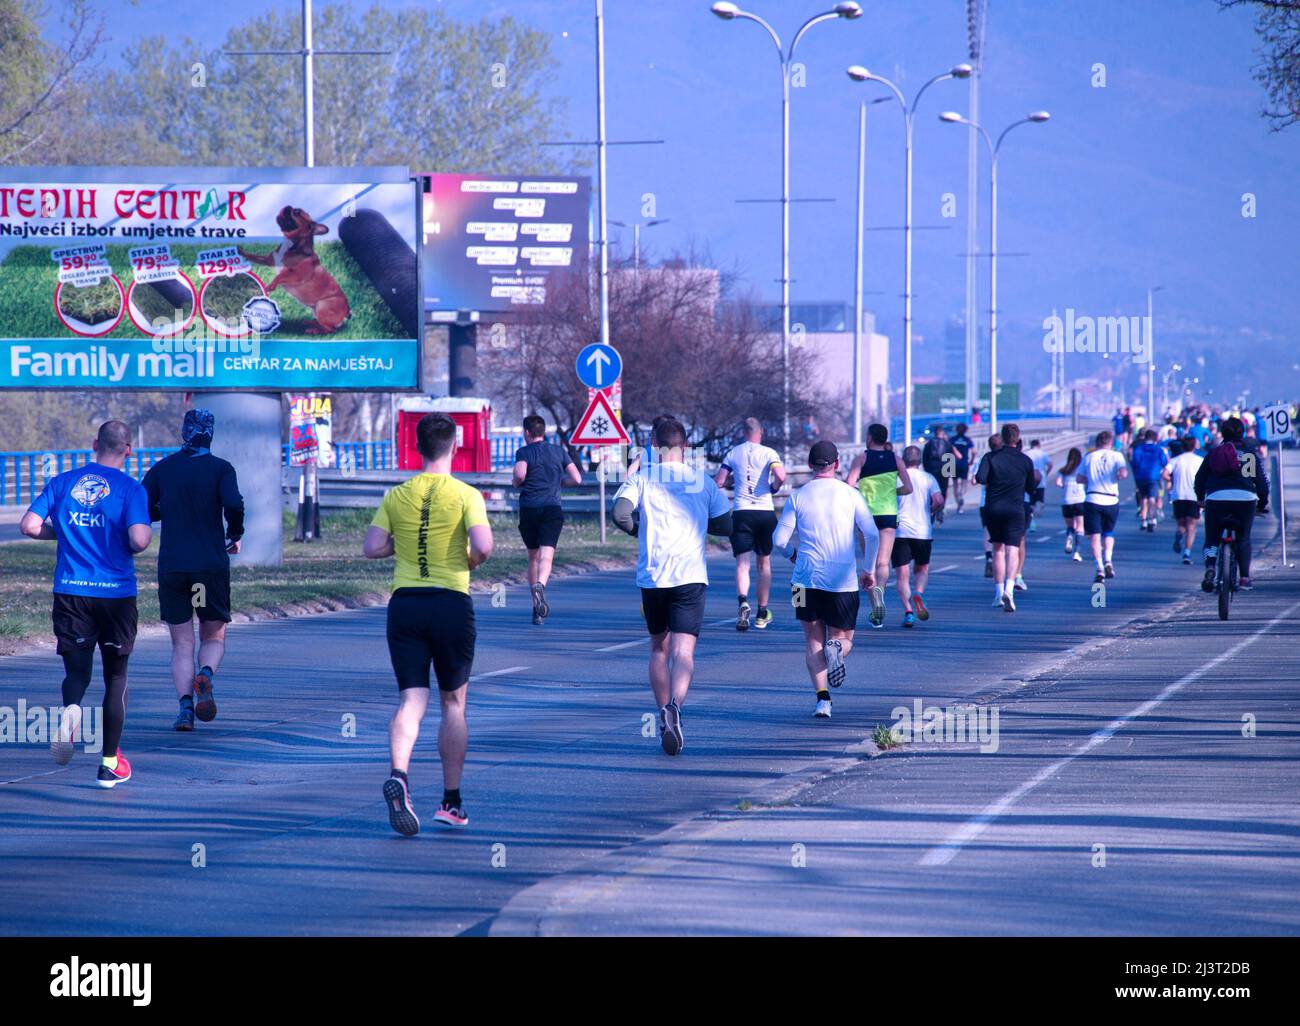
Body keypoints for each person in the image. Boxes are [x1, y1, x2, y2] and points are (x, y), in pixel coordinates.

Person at [365, 413, 493, 835]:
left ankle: (399, 775)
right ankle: (451, 802)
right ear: (454, 446)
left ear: (418, 448)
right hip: (451, 604)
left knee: (410, 701)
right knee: (453, 704)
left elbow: (372, 547)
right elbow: (484, 546)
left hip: (405, 604)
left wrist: (403, 546)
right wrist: (469, 560)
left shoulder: (397, 494)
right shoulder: (466, 494)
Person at [19, 421, 152, 788]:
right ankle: (109, 763)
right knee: (116, 677)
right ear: (128, 449)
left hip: (71, 591)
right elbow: (139, 541)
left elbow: (29, 525)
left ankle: (72, 711)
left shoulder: (64, 483)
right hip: (115, 596)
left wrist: (60, 532)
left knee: (77, 673)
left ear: (95, 444)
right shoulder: (131, 489)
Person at [612, 417, 731, 756]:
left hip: (653, 576)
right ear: (685, 447)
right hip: (690, 576)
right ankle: (675, 706)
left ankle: (663, 711)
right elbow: (726, 523)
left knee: (657, 650)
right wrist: (698, 523)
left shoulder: (644, 478)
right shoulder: (702, 481)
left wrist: (642, 529)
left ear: (653, 445)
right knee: (684, 653)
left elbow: (620, 514)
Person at [141, 409, 244, 731]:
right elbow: (234, 504)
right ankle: (207, 674)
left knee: (182, 644)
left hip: (173, 567)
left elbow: (142, 508)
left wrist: (165, 512)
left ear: (183, 431)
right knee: (212, 635)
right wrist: (235, 533)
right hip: (208, 567)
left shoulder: (163, 469)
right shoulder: (221, 469)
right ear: (210, 434)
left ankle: (185, 709)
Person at [773, 441, 878, 718]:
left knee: (811, 640)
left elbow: (779, 540)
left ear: (810, 465)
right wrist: (868, 570)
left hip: (803, 580)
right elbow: (873, 534)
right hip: (842, 579)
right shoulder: (851, 494)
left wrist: (793, 554)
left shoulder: (798, 496)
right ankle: (837, 648)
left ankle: (822, 700)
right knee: (844, 639)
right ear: (838, 464)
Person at [715, 417, 786, 631]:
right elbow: (780, 476)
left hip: (741, 512)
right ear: (761, 432)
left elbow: (719, 481)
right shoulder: (769, 453)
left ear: (743, 432)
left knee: (742, 564)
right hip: (764, 512)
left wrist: (730, 482)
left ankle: (743, 601)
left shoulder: (733, 453)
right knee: (764, 564)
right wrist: (772, 488)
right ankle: (762, 612)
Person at [512, 414, 582, 625]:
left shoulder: (524, 452)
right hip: (552, 509)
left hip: (529, 509)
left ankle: (536, 608)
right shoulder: (559, 451)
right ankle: (541, 584)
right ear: (543, 432)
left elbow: (520, 475)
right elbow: (577, 479)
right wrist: (559, 483)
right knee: (547, 557)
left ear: (527, 433)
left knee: (533, 556)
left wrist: (516, 483)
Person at [846, 423, 912, 628]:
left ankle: (875, 606)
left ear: (870, 438)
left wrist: (861, 494)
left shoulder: (862, 459)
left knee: (870, 564)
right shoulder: (896, 459)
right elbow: (908, 488)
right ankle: (880, 593)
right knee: (883, 563)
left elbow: (849, 485)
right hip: (889, 515)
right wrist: (892, 492)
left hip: (867, 516)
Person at [1195, 416, 1269, 592]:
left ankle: (1210, 566)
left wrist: (1200, 498)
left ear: (1222, 433)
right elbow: (1261, 483)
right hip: (1245, 500)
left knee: (1212, 538)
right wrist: (1262, 504)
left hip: (1216, 499)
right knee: (1243, 539)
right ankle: (1244, 578)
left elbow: (1199, 479)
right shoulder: (1249, 455)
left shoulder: (1214, 453)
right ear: (1242, 433)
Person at [975, 423, 1037, 612]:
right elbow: (1031, 488)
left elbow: (980, 478)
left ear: (1002, 438)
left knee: (998, 550)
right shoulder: (1025, 461)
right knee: (1013, 550)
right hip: (1015, 510)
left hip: (993, 509)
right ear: (1018, 439)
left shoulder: (990, 457)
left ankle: (997, 593)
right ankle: (1009, 590)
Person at [893, 446, 944, 628]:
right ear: (920, 460)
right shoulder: (928, 478)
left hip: (901, 532)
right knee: (921, 570)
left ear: (903, 460)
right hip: (923, 531)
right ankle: (919, 593)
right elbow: (939, 500)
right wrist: (933, 510)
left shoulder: (897, 478)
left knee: (902, 575)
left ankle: (908, 612)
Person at [1077, 430, 1129, 584]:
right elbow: (1123, 473)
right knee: (1108, 532)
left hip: (1093, 498)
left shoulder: (1088, 457)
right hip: (1111, 500)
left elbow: (1079, 478)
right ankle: (1108, 560)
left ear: (1097, 443)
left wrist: (1091, 478)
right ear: (1111, 443)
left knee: (1095, 535)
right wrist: (1118, 476)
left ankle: (1099, 566)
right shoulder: (1117, 456)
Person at [1163, 436, 1204, 565]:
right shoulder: (1199, 460)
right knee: (1191, 527)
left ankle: (1179, 534)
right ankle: (1186, 553)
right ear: (1193, 446)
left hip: (1178, 495)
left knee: (1181, 524)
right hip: (1193, 496)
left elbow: (1164, 474)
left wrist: (1172, 481)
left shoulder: (1175, 460)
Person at [1129, 429, 1169, 532]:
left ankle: (1143, 521)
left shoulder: (1138, 448)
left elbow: (1135, 462)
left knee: (1143, 498)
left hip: (1140, 477)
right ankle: (1152, 519)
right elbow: (1165, 462)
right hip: (1154, 476)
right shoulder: (1158, 449)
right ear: (1155, 438)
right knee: (1152, 498)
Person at [976, 433, 1003, 578]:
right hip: (1004, 501)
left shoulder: (984, 458)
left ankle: (989, 557)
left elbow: (977, 479)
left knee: (987, 530)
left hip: (985, 502)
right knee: (1004, 533)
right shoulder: (1007, 460)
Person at [1055, 447, 1086, 562]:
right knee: (1080, 527)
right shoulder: (1082, 469)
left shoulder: (1063, 470)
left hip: (1066, 501)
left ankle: (1069, 536)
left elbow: (1058, 483)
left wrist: (1065, 486)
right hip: (1079, 500)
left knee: (1070, 526)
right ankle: (1077, 552)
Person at [921, 426, 954, 505]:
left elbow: (924, 458)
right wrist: (951, 472)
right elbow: (951, 458)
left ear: (935, 433)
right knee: (943, 489)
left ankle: (933, 506)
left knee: (932, 489)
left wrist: (926, 470)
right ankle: (941, 508)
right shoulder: (947, 444)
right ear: (942, 433)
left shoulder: (929, 444)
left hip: (932, 468)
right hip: (944, 468)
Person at [1026, 439, 1052, 528]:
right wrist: (1046, 473)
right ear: (1038, 445)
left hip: (1030, 478)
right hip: (1041, 478)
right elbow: (1050, 465)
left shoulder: (1027, 453)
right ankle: (1039, 512)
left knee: (1031, 498)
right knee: (1040, 498)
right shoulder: (1043, 453)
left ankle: (1032, 514)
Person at [949, 422, 975, 512]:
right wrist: (971, 461)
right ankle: (961, 495)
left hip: (953, 463)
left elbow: (948, 452)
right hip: (964, 463)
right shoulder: (967, 440)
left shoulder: (952, 440)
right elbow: (974, 452)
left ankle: (958, 504)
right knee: (964, 483)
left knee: (955, 484)